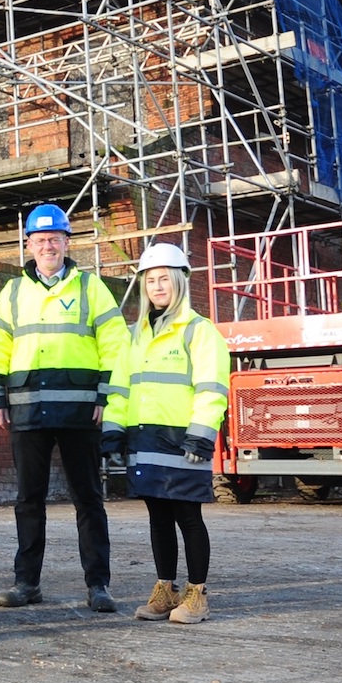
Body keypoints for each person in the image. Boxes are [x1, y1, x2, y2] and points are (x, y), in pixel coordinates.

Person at [0, 203, 130, 613]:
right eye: (40, 240)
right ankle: (26, 583)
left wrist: (107, 396)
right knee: (29, 500)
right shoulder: (12, 292)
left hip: (81, 412)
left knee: (88, 499)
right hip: (27, 411)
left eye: (55, 239)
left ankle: (98, 585)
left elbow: (116, 344)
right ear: (28, 245)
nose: (47, 246)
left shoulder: (90, 287)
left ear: (67, 242)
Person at [101, 243, 230, 624]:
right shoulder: (136, 334)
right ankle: (166, 590)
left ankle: (197, 594)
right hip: (145, 440)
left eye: (164, 279)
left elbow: (212, 388)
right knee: (158, 517)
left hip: (183, 442)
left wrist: (201, 435)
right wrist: (113, 431)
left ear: (179, 281)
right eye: (151, 280)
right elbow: (120, 388)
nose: (158, 287)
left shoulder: (198, 331)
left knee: (188, 517)